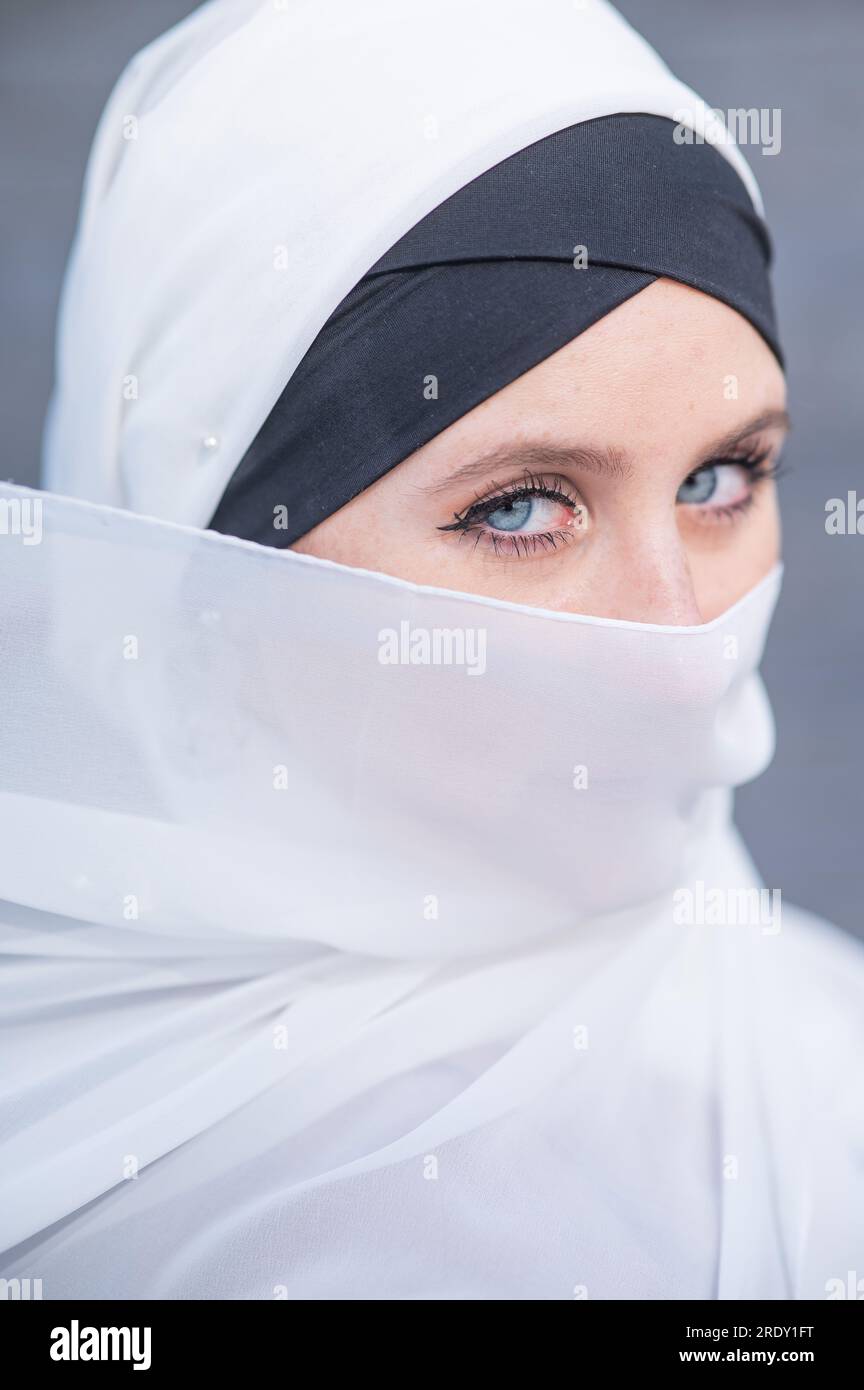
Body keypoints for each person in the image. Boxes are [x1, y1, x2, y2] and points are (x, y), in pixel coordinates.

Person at [0, 0, 860, 1300]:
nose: (683, 644)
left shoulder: (825, 1107)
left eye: (724, 479)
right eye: (520, 509)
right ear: (209, 569)